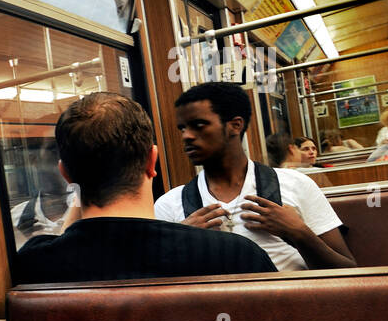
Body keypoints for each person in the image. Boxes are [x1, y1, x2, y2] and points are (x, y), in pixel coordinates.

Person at [16, 93, 276, 284]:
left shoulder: (34, 264)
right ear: (152, 161)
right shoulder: (237, 256)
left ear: (65, 173)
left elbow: (66, 244)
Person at [154, 82, 355, 271]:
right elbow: (154, 287)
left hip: (290, 305)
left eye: (198, 125)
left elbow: (349, 272)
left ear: (235, 125)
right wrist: (179, 242)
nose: (186, 136)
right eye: (182, 128)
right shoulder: (170, 204)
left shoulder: (296, 184)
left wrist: (299, 234)